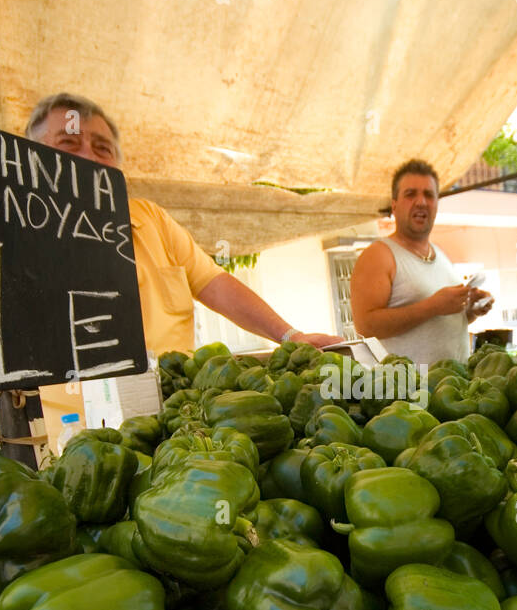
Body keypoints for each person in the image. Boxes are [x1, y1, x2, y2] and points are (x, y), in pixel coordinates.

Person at [23, 93, 342, 444]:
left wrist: (288, 336)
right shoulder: (20, 235)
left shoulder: (151, 219)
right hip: (79, 432)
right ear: (32, 159)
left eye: (103, 148)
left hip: (181, 416)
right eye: (69, 143)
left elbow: (214, 282)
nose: (88, 156)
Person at [349, 159, 493, 366]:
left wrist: (469, 311)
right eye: (410, 194)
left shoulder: (441, 255)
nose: (421, 202)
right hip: (411, 393)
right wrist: (432, 306)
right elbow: (366, 326)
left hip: (456, 389)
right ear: (394, 205)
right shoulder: (379, 255)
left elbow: (436, 324)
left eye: (429, 195)